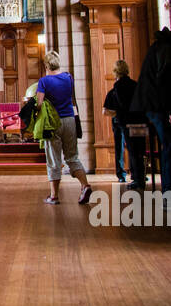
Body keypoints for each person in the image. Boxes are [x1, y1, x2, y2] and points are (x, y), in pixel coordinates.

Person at [130, 23, 171, 193]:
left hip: (155, 105)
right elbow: (168, 81)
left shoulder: (163, 45)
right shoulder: (169, 48)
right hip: (161, 106)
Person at [35, 50, 93, 205]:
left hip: (53, 123)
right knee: (72, 157)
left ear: (46, 65)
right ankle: (85, 185)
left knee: (54, 159)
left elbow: (39, 104)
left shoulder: (44, 81)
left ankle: (54, 196)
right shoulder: (68, 78)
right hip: (69, 120)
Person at [102, 60, 139, 184]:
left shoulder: (115, 90)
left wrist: (118, 113)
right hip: (134, 120)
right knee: (134, 147)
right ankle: (136, 173)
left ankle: (121, 174)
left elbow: (105, 111)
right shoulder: (134, 85)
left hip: (119, 121)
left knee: (120, 147)